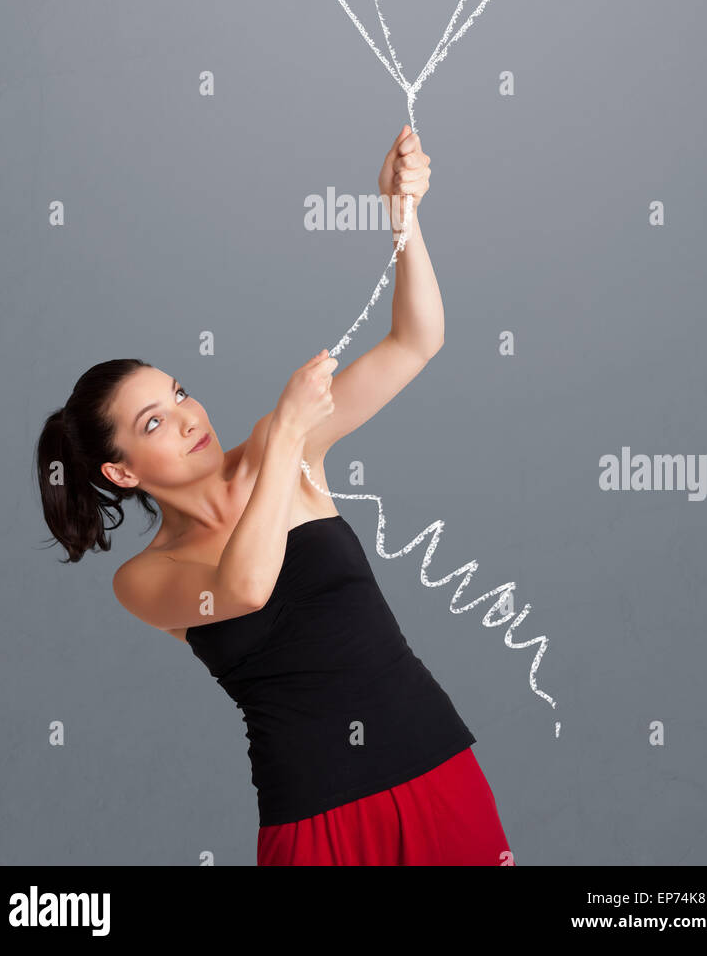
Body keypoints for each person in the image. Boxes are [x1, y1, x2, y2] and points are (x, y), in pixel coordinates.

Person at [34, 126, 515, 866]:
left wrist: (402, 216)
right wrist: (287, 429)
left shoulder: (282, 452)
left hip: (436, 767)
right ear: (122, 472)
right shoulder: (143, 579)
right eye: (154, 421)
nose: (189, 415)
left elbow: (416, 341)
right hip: (314, 814)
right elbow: (246, 588)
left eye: (180, 391)